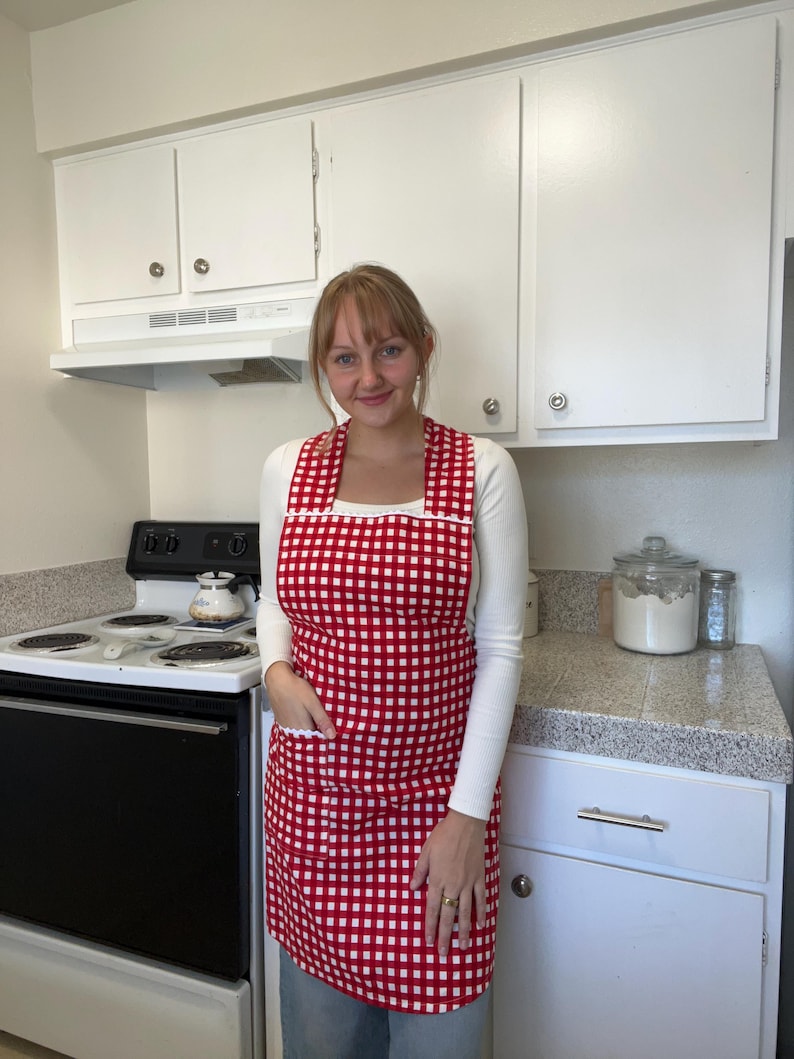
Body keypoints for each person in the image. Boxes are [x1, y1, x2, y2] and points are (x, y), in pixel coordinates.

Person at [256, 264, 527, 1058]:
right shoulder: (287, 468)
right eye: (344, 359)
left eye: (389, 350)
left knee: (439, 1034)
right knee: (321, 1042)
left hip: (433, 813)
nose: (368, 377)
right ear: (322, 368)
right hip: (315, 808)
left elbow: (501, 649)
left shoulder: (481, 469)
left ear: (424, 349)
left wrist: (466, 818)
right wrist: (275, 671)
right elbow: (273, 600)